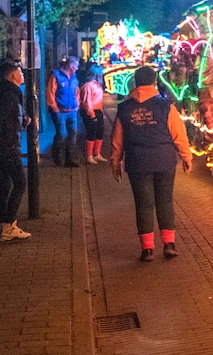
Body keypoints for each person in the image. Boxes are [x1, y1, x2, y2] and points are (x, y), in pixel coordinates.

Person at [111, 65, 192, 262]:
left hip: (137, 162)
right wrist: (186, 157)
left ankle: (147, 248)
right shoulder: (166, 106)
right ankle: (169, 244)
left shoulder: (124, 108)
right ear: (154, 82)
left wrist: (115, 163)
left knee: (143, 204)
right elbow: (178, 134)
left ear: (135, 83)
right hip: (164, 160)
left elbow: (117, 141)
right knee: (165, 201)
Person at [0, 61, 33, 242]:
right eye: (20, 71)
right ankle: (8, 225)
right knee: (20, 183)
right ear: (13, 76)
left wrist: (21, 120)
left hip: (2, 147)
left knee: (5, 186)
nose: (22, 74)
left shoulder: (4, 94)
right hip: (8, 147)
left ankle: (1, 225)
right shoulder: (10, 96)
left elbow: (4, 120)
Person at [46, 56, 81, 167]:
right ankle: (58, 158)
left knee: (73, 134)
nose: (77, 68)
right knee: (62, 134)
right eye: (76, 66)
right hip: (60, 111)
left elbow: (77, 92)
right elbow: (50, 92)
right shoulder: (56, 76)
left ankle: (69, 159)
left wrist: (77, 105)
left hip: (72, 111)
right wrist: (54, 107)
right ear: (71, 65)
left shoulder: (74, 77)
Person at [80, 63, 107, 164]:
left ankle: (97, 154)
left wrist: (101, 112)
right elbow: (87, 101)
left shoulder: (98, 85)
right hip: (90, 111)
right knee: (91, 132)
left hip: (98, 110)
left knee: (100, 132)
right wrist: (91, 114)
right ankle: (89, 156)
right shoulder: (89, 86)